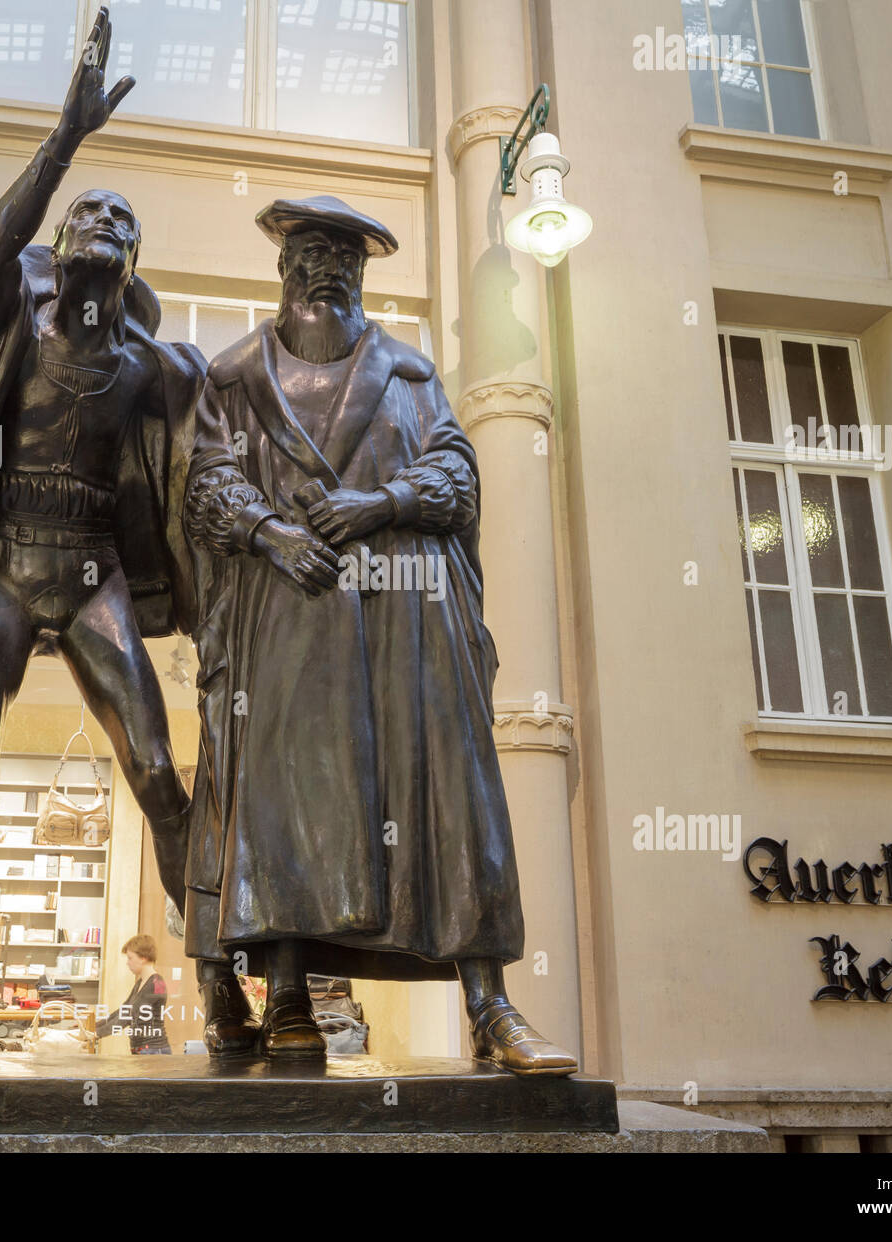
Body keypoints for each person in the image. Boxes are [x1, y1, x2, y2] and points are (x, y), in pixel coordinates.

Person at [0, 7, 247, 1061]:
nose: (107, 220)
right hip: (2, 568)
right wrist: (66, 140)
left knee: (159, 776)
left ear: (130, 264)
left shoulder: (159, 373)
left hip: (94, 575)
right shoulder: (8, 328)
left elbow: (208, 477)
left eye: (125, 218)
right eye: (90, 210)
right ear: (64, 245)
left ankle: (220, 987)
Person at [179, 195, 578, 1075]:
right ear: (284, 268)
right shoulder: (232, 377)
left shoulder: (410, 374)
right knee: (283, 793)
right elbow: (205, 482)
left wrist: (377, 504)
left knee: (449, 789)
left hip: (407, 620)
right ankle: (285, 993)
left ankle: (492, 1004)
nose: (330, 269)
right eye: (314, 253)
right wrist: (269, 533)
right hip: (287, 612)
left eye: (347, 258)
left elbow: (456, 476)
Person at [96, 935, 172, 1054]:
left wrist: (97, 1033)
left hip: (153, 1050)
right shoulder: (140, 983)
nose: (128, 963)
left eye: (130, 958)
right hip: (143, 1049)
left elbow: (130, 1015)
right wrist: (94, 1026)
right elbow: (123, 1010)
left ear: (143, 958)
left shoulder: (156, 983)